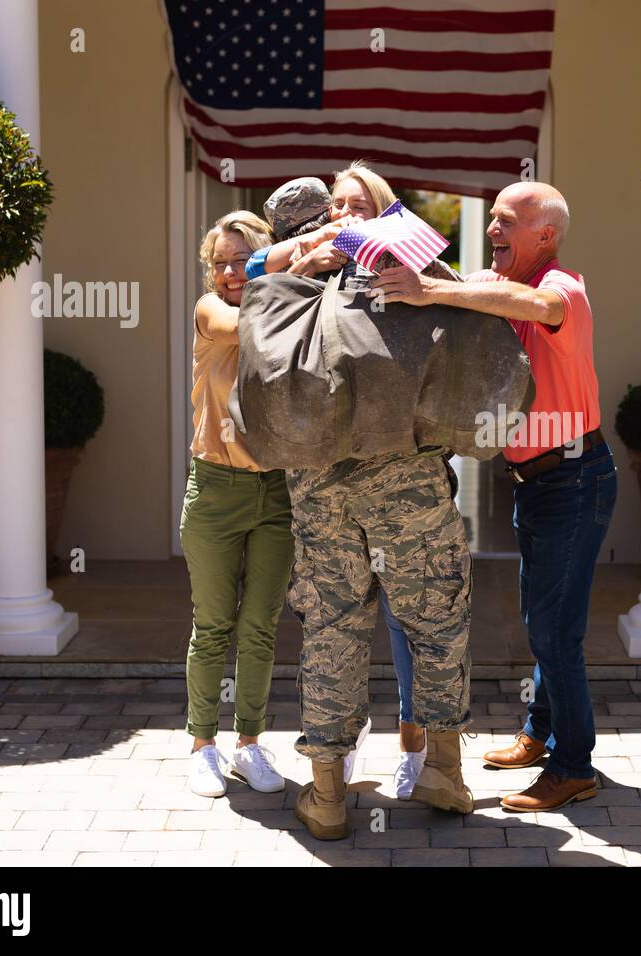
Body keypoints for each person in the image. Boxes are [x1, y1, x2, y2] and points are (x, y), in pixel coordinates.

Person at [368, 181, 616, 812]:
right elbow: (466, 286)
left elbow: (525, 301)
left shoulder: (563, 289)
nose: (493, 230)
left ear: (546, 235)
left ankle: (574, 765)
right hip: (538, 482)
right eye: (493, 220)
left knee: (556, 629)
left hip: (574, 477)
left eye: (508, 221)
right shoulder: (504, 288)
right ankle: (539, 734)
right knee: (543, 616)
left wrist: (437, 290)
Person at [249, 164, 476, 840]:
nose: (346, 215)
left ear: (385, 209)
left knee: (424, 618)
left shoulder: (410, 267)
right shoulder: (301, 273)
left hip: (358, 479)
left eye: (359, 204)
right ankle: (330, 793)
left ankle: (435, 770)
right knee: (342, 626)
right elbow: (243, 280)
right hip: (361, 484)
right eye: (336, 206)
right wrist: (300, 254)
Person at [182, 210, 295, 799]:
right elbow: (239, 326)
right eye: (221, 262)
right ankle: (202, 745)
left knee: (260, 626)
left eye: (242, 259)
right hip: (216, 490)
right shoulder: (212, 312)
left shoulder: (282, 310)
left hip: (275, 491)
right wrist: (284, 275)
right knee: (213, 624)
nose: (229, 272)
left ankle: (250, 743)